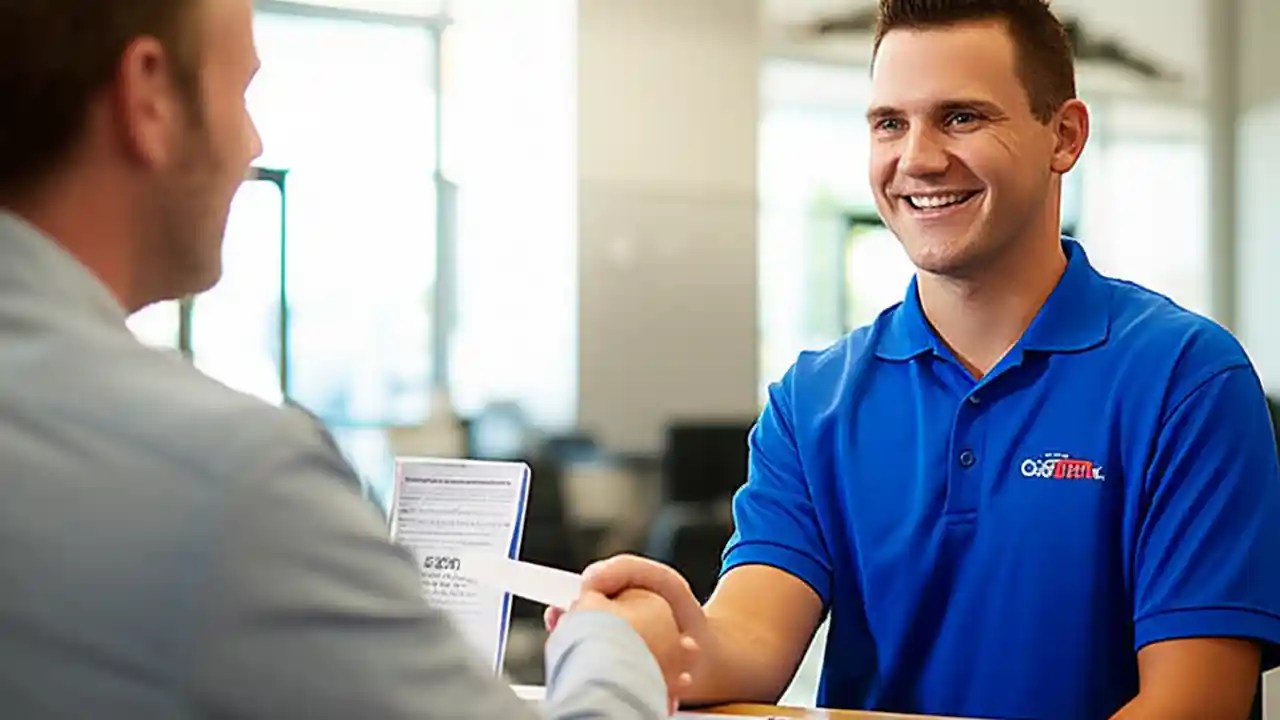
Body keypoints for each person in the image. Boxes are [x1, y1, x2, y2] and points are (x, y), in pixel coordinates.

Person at [556, 1, 1280, 718]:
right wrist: (664, 632)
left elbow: (1193, 703)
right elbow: (748, 640)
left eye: (962, 117)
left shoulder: (1187, 380)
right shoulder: (814, 401)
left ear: (1063, 136)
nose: (918, 159)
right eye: (890, 124)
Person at [0, 1, 694, 718]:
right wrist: (616, 651)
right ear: (148, 96)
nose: (251, 144)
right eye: (241, 93)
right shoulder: (223, 477)